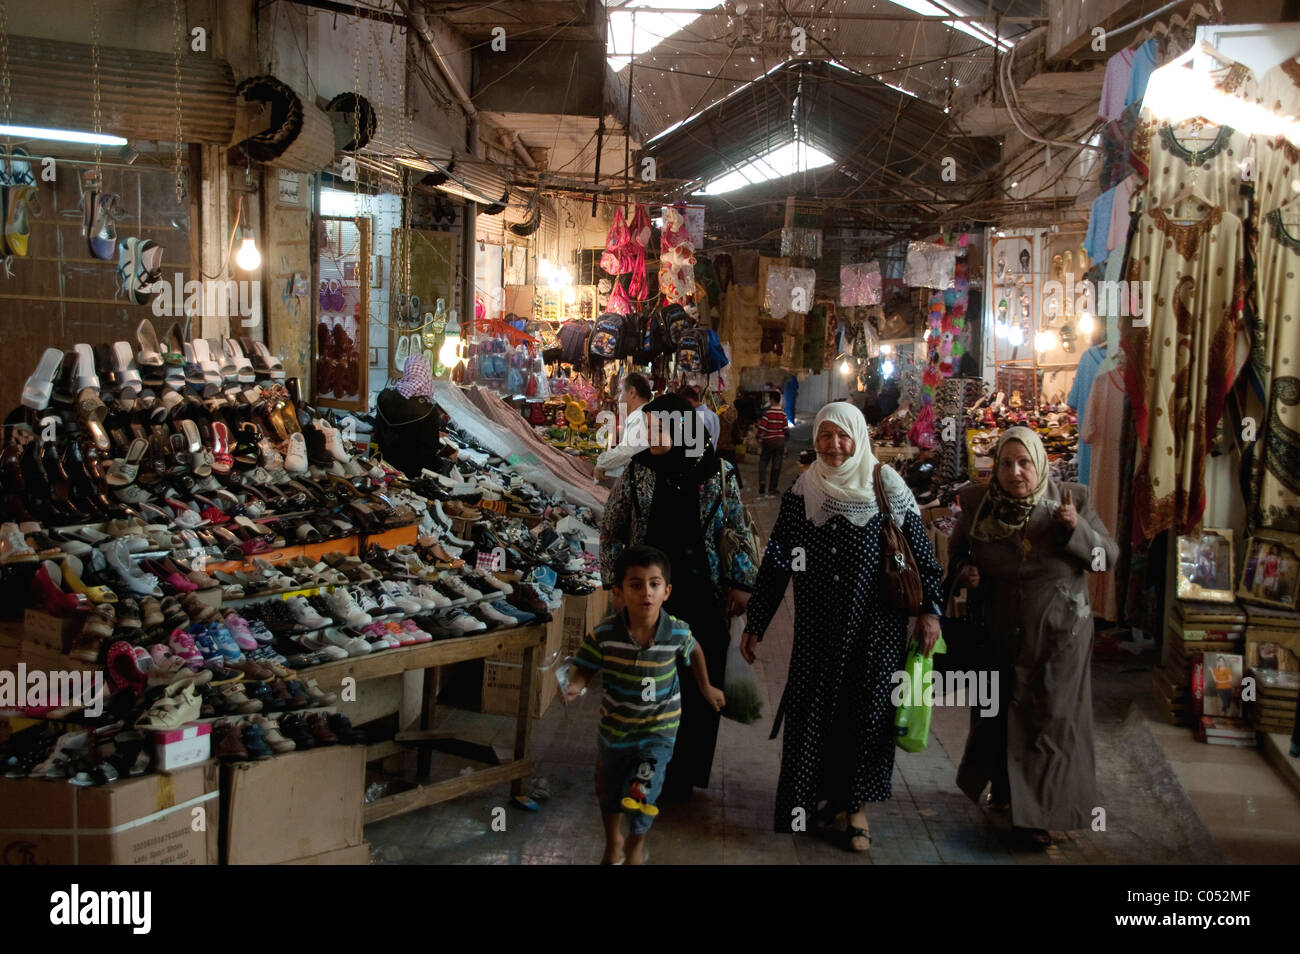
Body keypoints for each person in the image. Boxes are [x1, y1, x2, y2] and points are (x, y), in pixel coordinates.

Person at [741, 401, 944, 851]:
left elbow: (922, 558)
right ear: (816, 443)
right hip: (817, 628)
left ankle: (857, 811)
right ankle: (817, 801)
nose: (835, 446)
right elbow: (777, 560)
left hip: (877, 631)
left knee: (865, 715)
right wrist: (757, 620)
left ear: (859, 438)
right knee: (813, 715)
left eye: (843, 436)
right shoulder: (803, 491)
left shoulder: (886, 485)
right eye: (826, 437)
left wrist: (930, 611)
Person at [949, 426, 1118, 851]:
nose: (1015, 472)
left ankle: (1038, 817)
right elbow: (957, 555)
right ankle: (1006, 793)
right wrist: (965, 574)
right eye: (1006, 464)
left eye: (1024, 463)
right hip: (1000, 630)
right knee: (1002, 715)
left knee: (1049, 720)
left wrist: (1076, 529)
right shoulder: (978, 505)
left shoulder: (1070, 500)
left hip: (1060, 634)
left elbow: (1105, 557)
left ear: (1039, 464)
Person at [600, 394, 757, 803]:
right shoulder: (639, 472)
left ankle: (682, 774)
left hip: (703, 594)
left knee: (696, 685)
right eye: (646, 427)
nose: (647, 435)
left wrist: (741, 583)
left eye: (656, 427)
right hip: (648, 599)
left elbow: (738, 528)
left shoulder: (719, 473)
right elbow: (611, 528)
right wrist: (616, 583)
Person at [563, 545, 724, 865]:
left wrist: (706, 686)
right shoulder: (605, 634)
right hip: (615, 730)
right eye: (636, 584)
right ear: (620, 591)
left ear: (667, 591)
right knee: (608, 790)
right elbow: (585, 666)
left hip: (659, 729)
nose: (646, 593)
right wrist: (575, 685)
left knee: (643, 790)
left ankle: (637, 840)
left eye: (654, 584)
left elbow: (695, 651)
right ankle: (614, 841)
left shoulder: (676, 630)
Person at [374, 354, 445, 478]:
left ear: (407, 369)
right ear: (426, 374)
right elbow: (430, 449)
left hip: (386, 468)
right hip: (415, 473)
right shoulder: (428, 409)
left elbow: (378, 433)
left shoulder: (384, 396)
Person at [594, 372, 652, 481]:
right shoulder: (640, 415)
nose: (618, 398)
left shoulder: (641, 416)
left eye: (621, 391)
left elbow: (627, 451)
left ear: (632, 392)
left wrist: (601, 463)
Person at [755, 390, 789, 496]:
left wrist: (758, 436)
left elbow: (762, 427)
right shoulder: (783, 413)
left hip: (768, 441)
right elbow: (786, 429)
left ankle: (762, 483)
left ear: (772, 400)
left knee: (763, 461)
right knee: (777, 465)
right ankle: (772, 488)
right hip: (780, 442)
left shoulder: (768, 412)